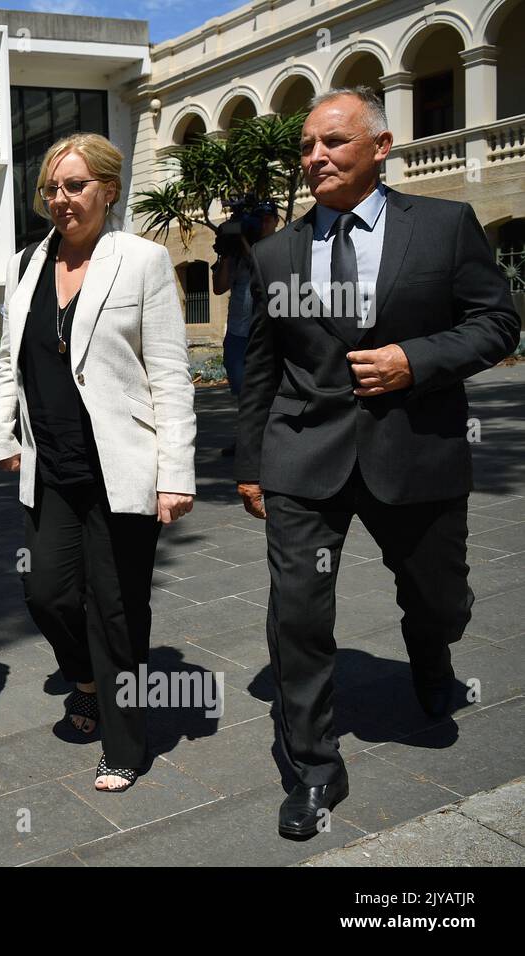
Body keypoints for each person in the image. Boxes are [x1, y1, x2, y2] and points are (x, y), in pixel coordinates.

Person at [235, 86, 521, 839]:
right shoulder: (273, 254)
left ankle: (432, 659)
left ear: (381, 147)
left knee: (441, 601)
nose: (316, 158)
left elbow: (497, 322)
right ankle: (314, 768)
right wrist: (250, 464)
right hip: (304, 455)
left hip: (417, 453)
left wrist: (415, 360)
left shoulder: (446, 227)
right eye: (306, 147)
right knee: (296, 614)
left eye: (333, 142)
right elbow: (257, 371)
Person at [0, 132, 197, 791]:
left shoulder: (142, 262)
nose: (60, 199)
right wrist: (4, 436)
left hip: (121, 469)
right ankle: (85, 680)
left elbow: (169, 375)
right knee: (45, 594)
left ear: (108, 190)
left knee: (116, 609)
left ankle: (125, 744)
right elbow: (7, 362)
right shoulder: (26, 264)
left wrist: (176, 475)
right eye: (51, 188)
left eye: (74, 186)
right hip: (50, 470)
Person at [213, 201, 279, 454]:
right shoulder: (237, 252)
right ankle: (248, 438)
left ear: (275, 220)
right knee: (243, 388)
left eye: (266, 218)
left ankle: (267, 438)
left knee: (266, 387)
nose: (262, 224)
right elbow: (219, 287)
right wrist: (228, 252)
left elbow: (261, 269)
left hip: (267, 333)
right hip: (238, 333)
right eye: (258, 218)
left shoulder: (281, 248)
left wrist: (241, 239)